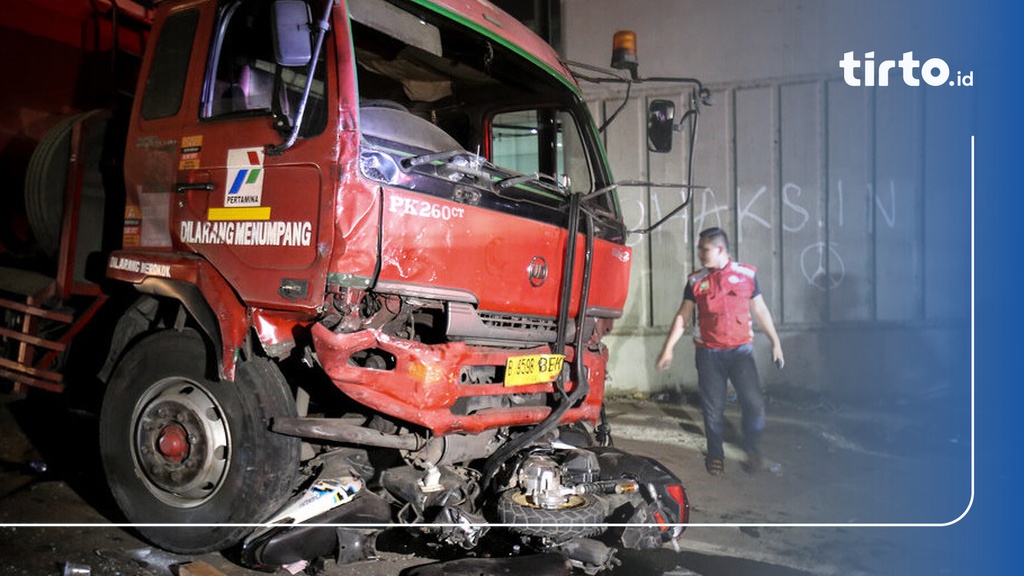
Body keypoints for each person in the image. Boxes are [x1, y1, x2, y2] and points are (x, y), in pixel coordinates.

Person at [655, 227, 784, 476]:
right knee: (713, 408)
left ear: (720, 249)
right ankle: (715, 454)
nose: (700, 254)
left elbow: (760, 310)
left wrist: (775, 342)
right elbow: (683, 315)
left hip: (740, 353)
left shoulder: (746, 274)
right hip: (709, 354)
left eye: (705, 249)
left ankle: (752, 448)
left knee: (754, 404)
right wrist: (667, 349)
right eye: (699, 249)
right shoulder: (696, 281)